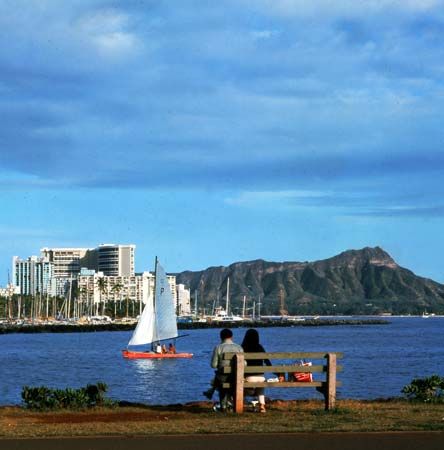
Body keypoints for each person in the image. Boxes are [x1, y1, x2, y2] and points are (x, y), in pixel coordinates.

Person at [203, 328, 243, 411]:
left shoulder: (218, 347)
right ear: (232, 337)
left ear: (220, 337)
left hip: (223, 377)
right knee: (220, 378)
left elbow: (213, 365)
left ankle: (223, 406)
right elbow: (244, 363)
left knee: (220, 379)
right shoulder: (239, 347)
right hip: (237, 377)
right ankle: (230, 404)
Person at [241, 328, 272, 413]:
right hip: (261, 377)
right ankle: (262, 406)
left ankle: (241, 404)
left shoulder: (243, 347)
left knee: (241, 386)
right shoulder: (260, 347)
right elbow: (268, 362)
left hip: (249, 378)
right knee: (260, 386)